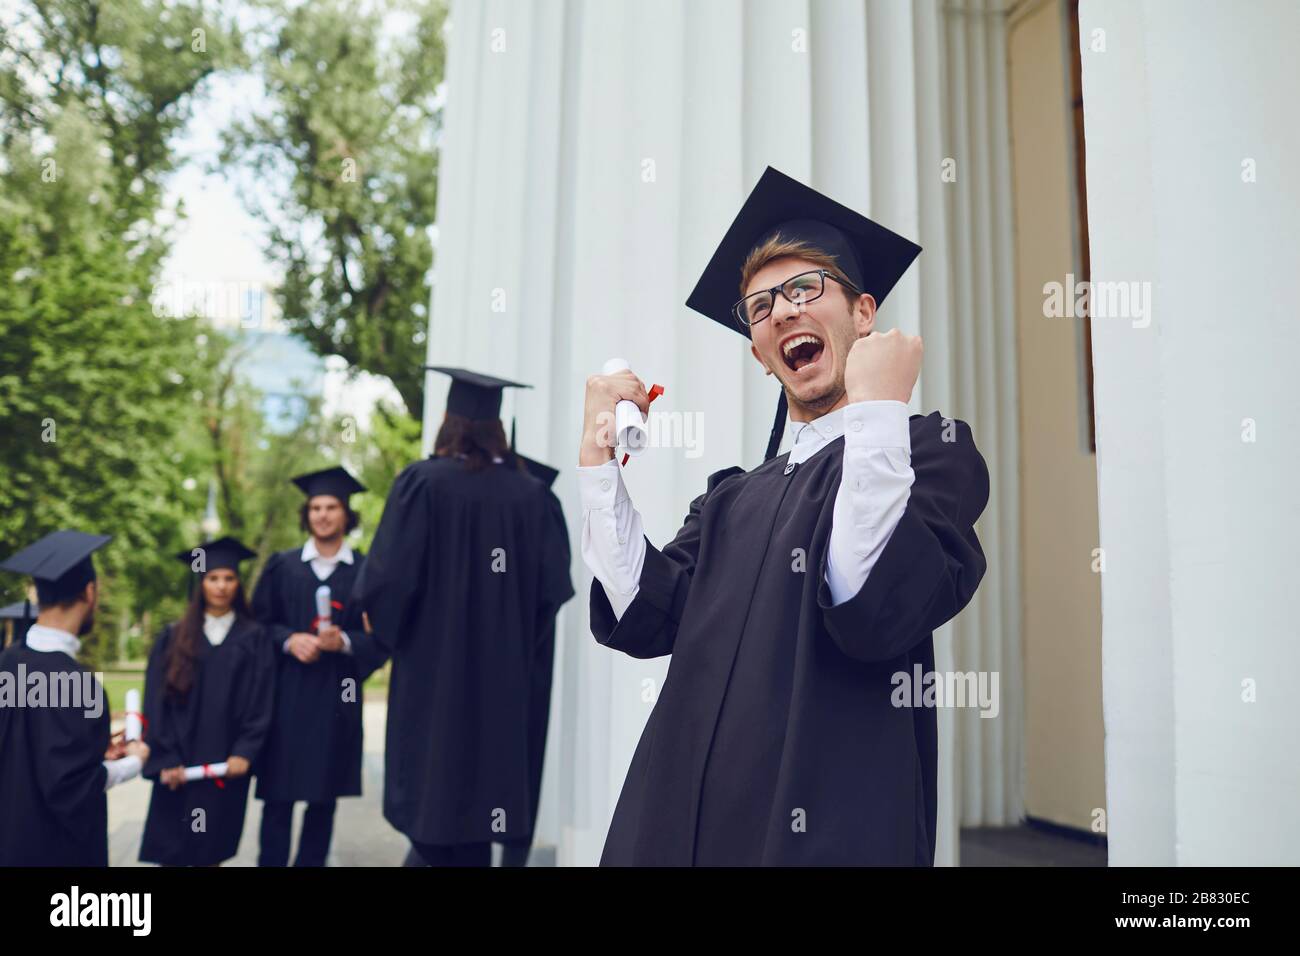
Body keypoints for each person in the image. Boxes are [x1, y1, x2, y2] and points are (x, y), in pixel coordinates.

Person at [579, 167, 990, 865]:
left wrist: (879, 411)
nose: (783, 311)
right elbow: (645, 611)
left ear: (863, 312)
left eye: (805, 289)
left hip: (826, 824)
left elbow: (873, 607)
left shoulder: (930, 451)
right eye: (761, 306)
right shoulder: (732, 498)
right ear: (759, 353)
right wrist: (597, 470)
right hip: (685, 822)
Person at [356, 367, 574, 867]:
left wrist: (391, 632)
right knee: (479, 818)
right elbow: (549, 596)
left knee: (435, 820)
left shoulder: (421, 484)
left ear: (448, 422)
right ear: (497, 427)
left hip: (434, 685)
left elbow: (386, 586)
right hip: (505, 690)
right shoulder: (534, 498)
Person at [253, 466, 380, 867]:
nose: (322, 515)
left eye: (331, 507)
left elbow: (382, 639)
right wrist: (290, 640)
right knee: (277, 799)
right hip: (285, 701)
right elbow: (256, 628)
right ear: (306, 514)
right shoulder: (281, 566)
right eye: (315, 507)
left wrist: (343, 642)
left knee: (322, 802)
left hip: (336, 703)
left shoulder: (366, 572)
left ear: (346, 514)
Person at [0, 530, 150, 866]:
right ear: (90, 591)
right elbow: (73, 786)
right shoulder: (78, 685)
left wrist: (94, 750)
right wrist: (133, 763)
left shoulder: (8, 661)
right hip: (51, 852)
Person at [139, 537, 274, 867]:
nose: (221, 586)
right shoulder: (174, 635)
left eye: (229, 578)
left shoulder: (254, 638)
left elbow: (262, 701)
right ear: (201, 583)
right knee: (173, 847)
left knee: (211, 849)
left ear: (238, 583)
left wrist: (244, 751)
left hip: (223, 764)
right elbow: (155, 702)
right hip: (178, 766)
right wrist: (165, 755)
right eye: (213, 578)